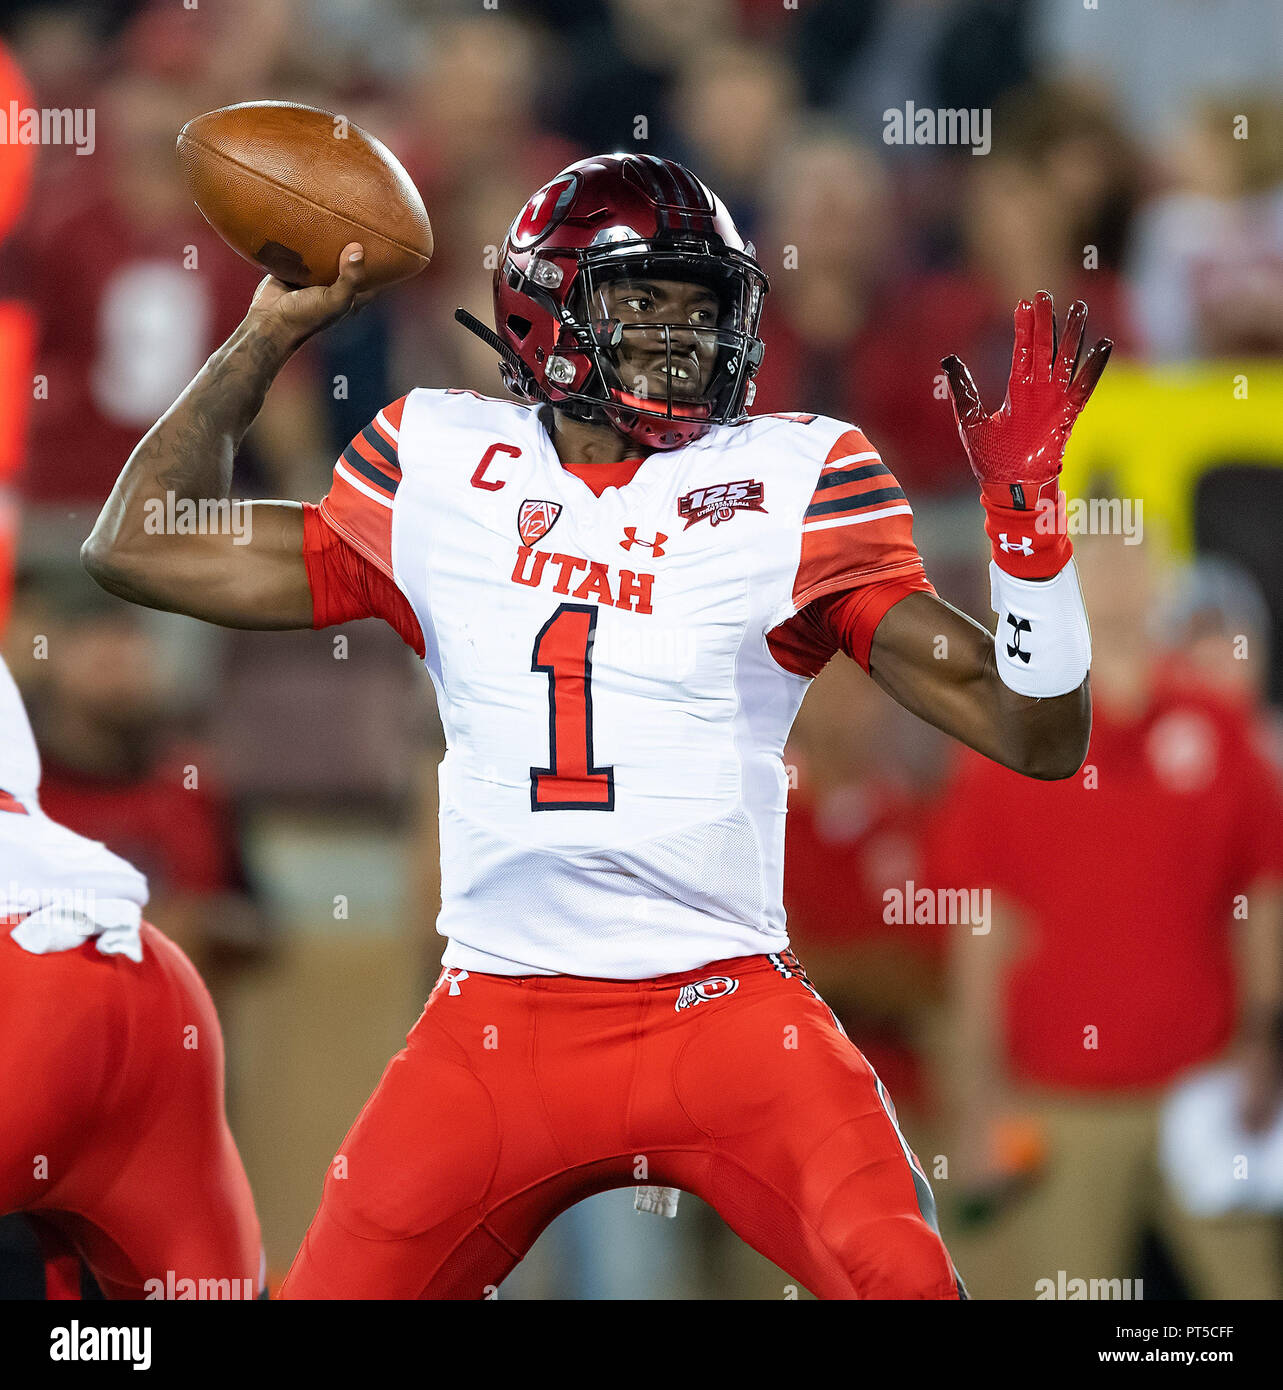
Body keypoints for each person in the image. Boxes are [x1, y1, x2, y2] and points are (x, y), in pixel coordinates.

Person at [82, 152, 1110, 1300]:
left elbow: (1036, 735)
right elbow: (139, 546)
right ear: (545, 306)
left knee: (905, 1281)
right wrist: (267, 331)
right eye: (644, 301)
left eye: (703, 305)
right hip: (497, 1020)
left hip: (724, 1009)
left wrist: (1026, 534)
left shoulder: (787, 478)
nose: (684, 335)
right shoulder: (439, 460)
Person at [932, 532, 1283, 1299]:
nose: (1121, 576)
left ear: (1161, 578)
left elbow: (1260, 894)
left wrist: (1263, 1037)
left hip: (1205, 1082)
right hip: (1060, 1095)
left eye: (1134, 555)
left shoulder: (1219, 731)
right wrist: (980, 1085)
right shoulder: (1012, 736)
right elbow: (981, 924)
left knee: (1250, 1288)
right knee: (1063, 1287)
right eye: (1099, 559)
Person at [0, 655, 262, 1300]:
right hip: (146, 994)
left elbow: (257, 921)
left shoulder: (190, 784)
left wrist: (202, 919)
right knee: (201, 1279)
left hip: (70, 1013)